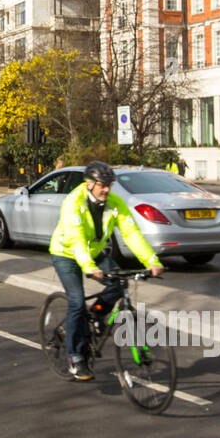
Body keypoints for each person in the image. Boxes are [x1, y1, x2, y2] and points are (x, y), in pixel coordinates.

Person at [49, 159, 163, 381]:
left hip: (93, 253)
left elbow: (131, 234)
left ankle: (96, 314)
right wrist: (89, 267)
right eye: (102, 185)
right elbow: (76, 239)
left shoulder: (115, 203)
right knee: (76, 301)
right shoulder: (73, 202)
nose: (107, 189)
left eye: (109, 185)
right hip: (67, 254)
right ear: (89, 183)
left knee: (119, 283)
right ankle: (76, 357)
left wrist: (151, 260)